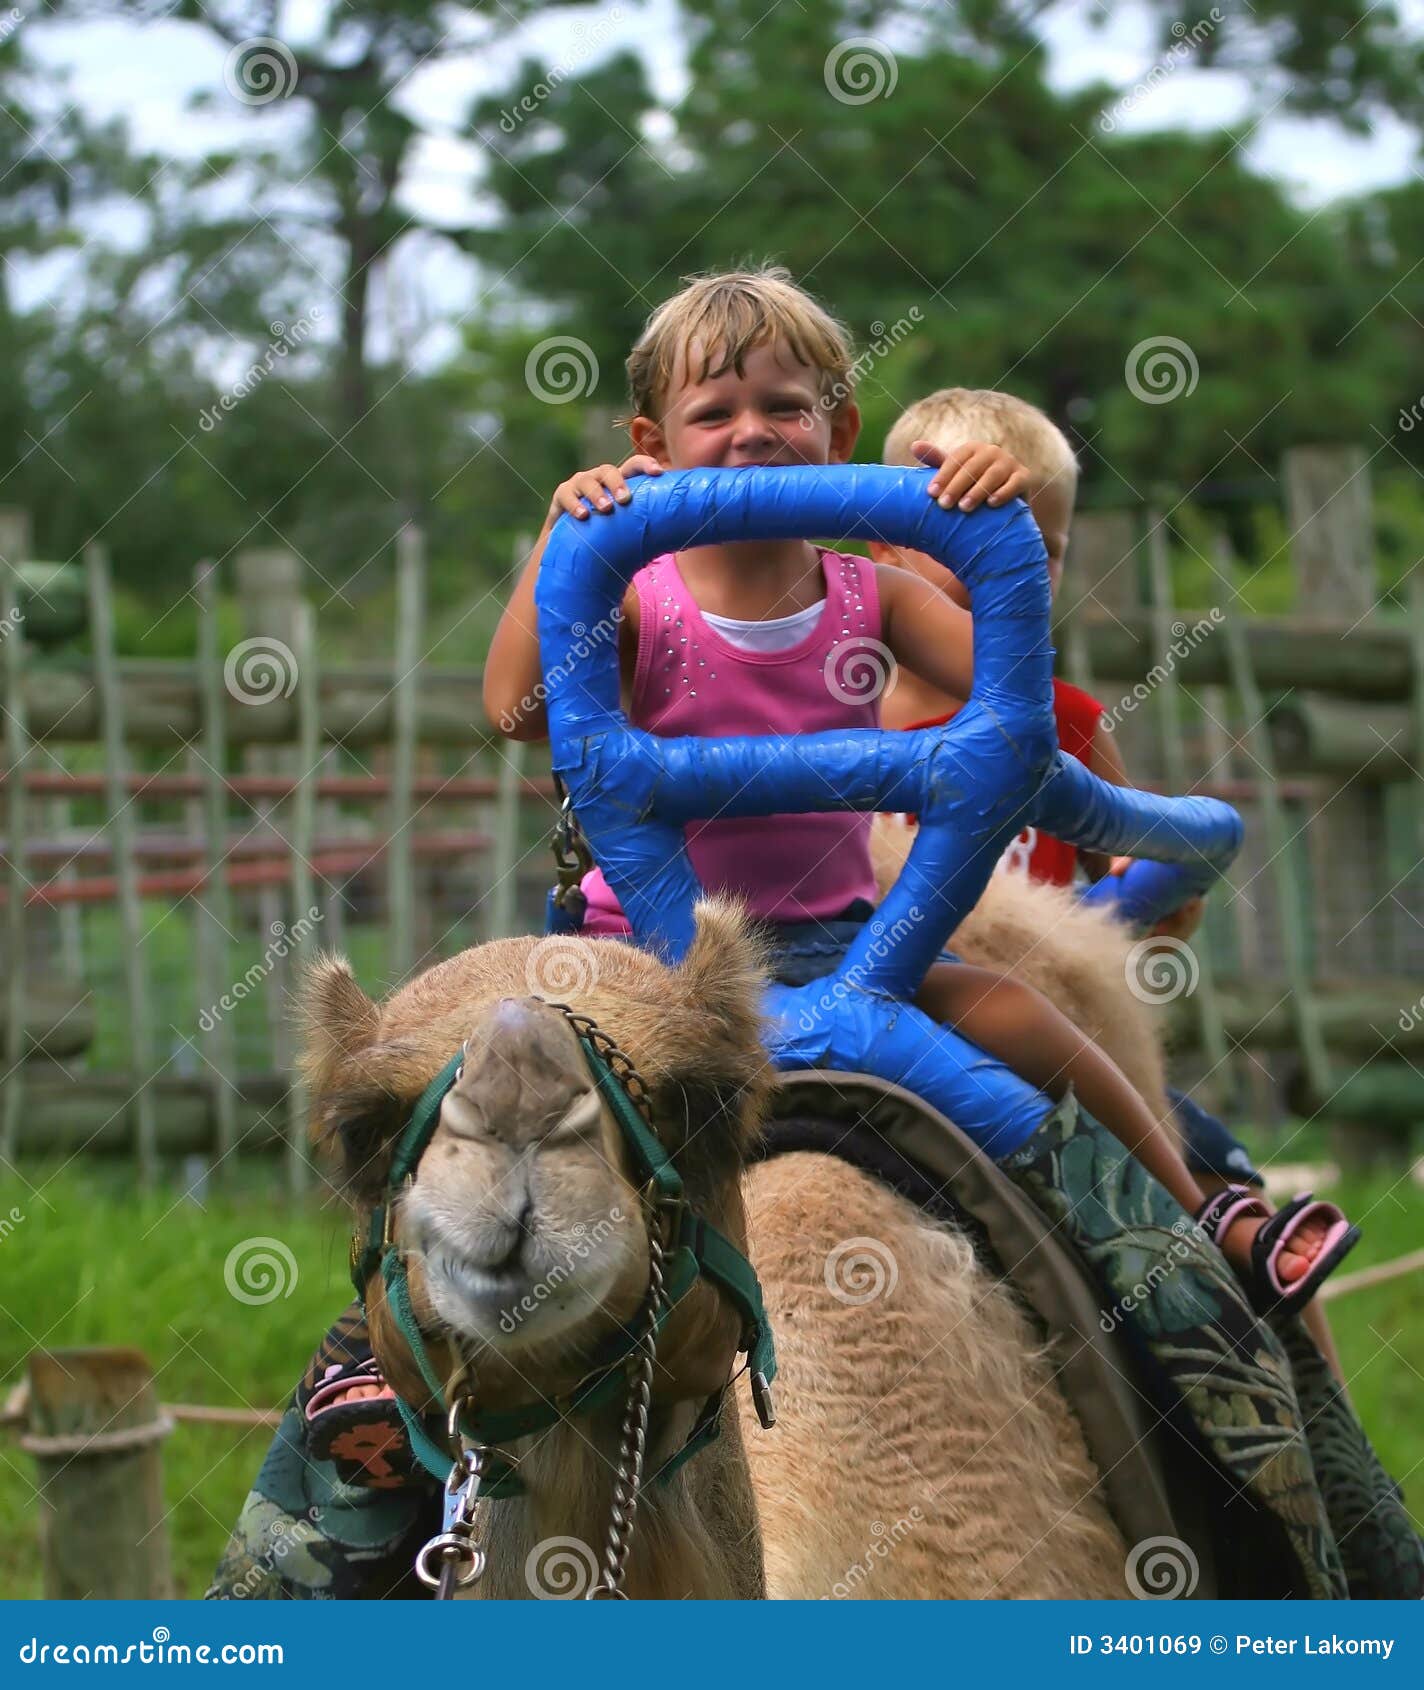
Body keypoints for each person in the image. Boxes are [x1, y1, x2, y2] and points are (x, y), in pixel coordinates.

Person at [482, 266, 1357, 1315]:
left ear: (839, 427)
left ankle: (1202, 1215)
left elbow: (1015, 698)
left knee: (1017, 1009)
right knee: (480, 1087)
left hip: (848, 942)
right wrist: (560, 539)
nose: (751, 431)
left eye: (783, 406)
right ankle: (372, 1364)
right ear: (652, 444)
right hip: (644, 953)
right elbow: (516, 708)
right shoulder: (635, 604)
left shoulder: (873, 594)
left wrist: (983, 520)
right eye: (712, 412)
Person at [869, 384, 1355, 1360]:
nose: (1001, 559)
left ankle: (1334, 1470)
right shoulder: (827, 716)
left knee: (1214, 1167)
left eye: (1038, 547)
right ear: (884, 542)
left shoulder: (1067, 725)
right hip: (876, 1018)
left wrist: (1157, 890)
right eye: (956, 524)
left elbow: (1145, 906)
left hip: (1049, 1045)